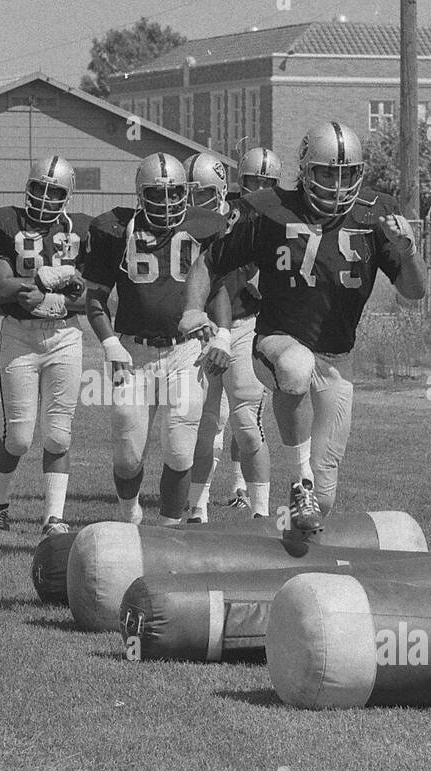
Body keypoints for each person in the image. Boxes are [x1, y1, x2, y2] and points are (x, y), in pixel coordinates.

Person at [180, 122, 426, 537]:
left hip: (336, 359)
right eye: (328, 172)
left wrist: (411, 252)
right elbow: (209, 262)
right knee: (294, 368)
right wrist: (191, 310)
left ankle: (293, 548)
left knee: (325, 500)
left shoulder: (374, 211)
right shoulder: (268, 208)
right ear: (306, 171)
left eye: (347, 173)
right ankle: (300, 483)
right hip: (275, 342)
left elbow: (414, 292)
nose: (338, 183)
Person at [82, 153, 231, 525]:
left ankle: (170, 530)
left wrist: (224, 335)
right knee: (128, 454)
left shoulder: (205, 226)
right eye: (157, 194)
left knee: (181, 448)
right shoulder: (114, 230)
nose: (166, 203)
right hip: (133, 352)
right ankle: (129, 513)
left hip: (185, 352)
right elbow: (96, 298)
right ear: (139, 194)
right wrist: (110, 344)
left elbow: (218, 291)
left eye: (174, 193)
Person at [0, 156, 91, 536]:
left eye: (54, 190)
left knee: (59, 434)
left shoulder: (84, 231)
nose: (44, 196)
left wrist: (49, 299)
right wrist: (46, 283)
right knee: (20, 437)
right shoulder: (3, 222)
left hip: (64, 335)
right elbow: (1, 285)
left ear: (67, 195)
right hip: (20, 335)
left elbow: (94, 295)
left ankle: (53, 517)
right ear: (28, 187)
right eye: (39, 188)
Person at [182, 152, 271, 522]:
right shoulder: (175, 222)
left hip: (243, 327)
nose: (190, 202)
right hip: (201, 330)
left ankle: (262, 515)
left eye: (200, 193)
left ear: (220, 192)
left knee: (248, 427)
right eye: (185, 193)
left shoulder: (249, 218)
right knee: (203, 429)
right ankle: (196, 512)